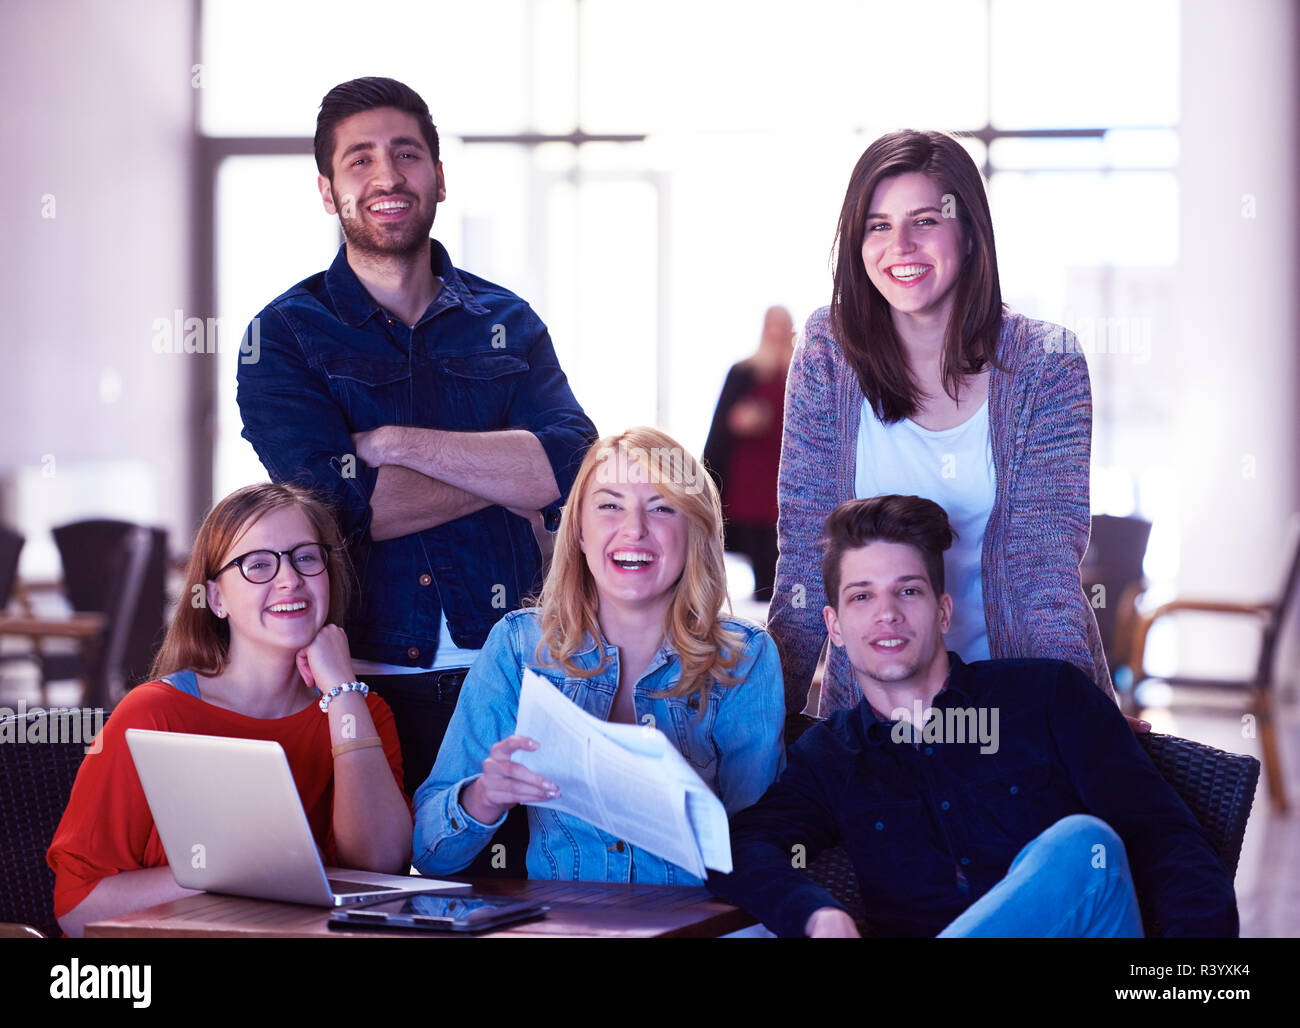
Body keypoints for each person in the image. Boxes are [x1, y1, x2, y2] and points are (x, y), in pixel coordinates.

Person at [236, 76, 598, 798]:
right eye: (359, 160)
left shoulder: (508, 321)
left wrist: (395, 442)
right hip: (357, 680)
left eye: (406, 154)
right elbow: (338, 508)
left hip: (515, 671)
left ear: (438, 177)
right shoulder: (283, 336)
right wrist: (502, 474)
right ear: (327, 188)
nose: (387, 176)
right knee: (363, 899)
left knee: (519, 899)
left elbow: (571, 462)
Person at [708, 496, 1238, 938]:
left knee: (1083, 846)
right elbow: (737, 850)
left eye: (907, 591)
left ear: (942, 610)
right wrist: (815, 913)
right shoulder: (831, 757)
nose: (887, 613)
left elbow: (1168, 844)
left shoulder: (1047, 696)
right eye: (862, 596)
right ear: (836, 625)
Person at [770, 130, 1112, 729]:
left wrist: (1079, 721)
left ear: (971, 234)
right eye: (877, 226)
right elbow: (807, 558)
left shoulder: (1045, 365)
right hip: (873, 716)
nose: (899, 245)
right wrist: (762, 718)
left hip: (1015, 702)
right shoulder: (827, 352)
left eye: (925, 220)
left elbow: (1043, 572)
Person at [412, 427, 786, 883]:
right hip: (563, 926)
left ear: (694, 532)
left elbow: (764, 849)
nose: (634, 529)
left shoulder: (744, 657)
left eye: (662, 508)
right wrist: (485, 795)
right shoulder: (518, 646)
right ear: (581, 533)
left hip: (698, 923)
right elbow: (430, 854)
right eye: (610, 505)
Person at [47, 483, 411, 938]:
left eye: (306, 557)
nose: (289, 579)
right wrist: (238, 877)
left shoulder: (360, 710)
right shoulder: (152, 715)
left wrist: (340, 690)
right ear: (215, 599)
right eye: (258, 564)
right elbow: (77, 908)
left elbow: (379, 864)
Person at [702, 305, 795, 601]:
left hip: (787, 468)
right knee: (759, 542)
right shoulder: (744, 371)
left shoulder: (800, 370)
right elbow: (723, 423)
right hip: (751, 476)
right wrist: (743, 419)